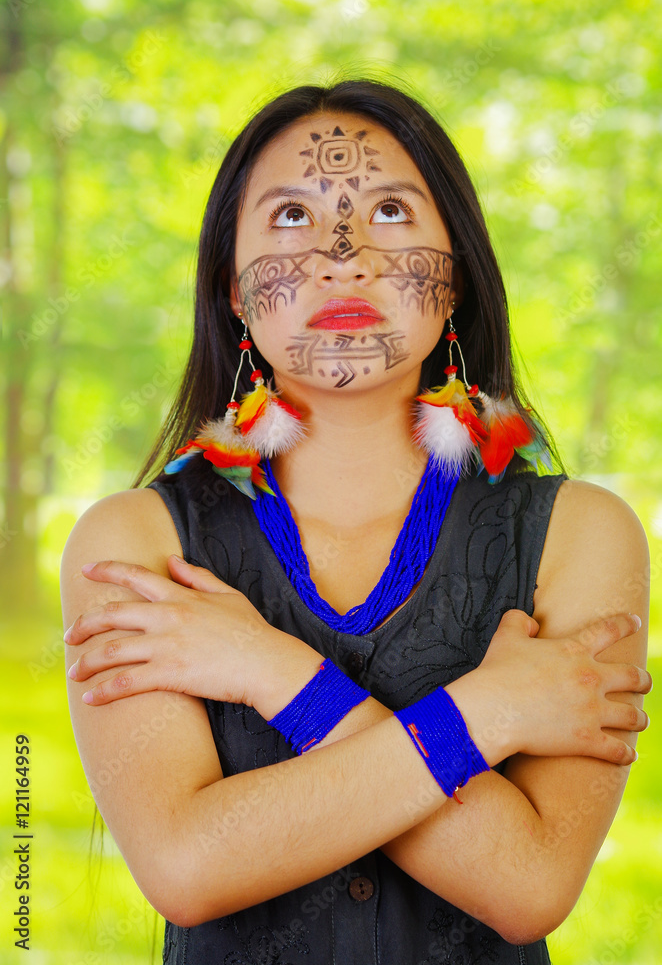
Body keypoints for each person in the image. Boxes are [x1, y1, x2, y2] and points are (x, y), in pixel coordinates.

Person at [61, 78, 651, 965]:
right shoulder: (134, 544)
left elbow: (527, 887)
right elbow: (187, 866)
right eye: (293, 218)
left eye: (388, 211)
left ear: (455, 276)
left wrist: (272, 670)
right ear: (232, 287)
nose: (346, 257)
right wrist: (490, 712)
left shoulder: (582, 533)